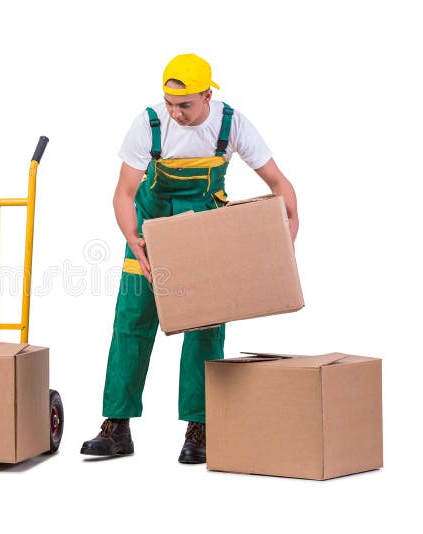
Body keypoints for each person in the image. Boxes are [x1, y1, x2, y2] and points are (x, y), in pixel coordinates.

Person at [80, 53, 299, 463]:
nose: (175, 113)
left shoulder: (231, 123)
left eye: (185, 105)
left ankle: (199, 427)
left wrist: (291, 219)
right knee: (131, 322)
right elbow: (124, 193)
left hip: (205, 237)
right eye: (169, 103)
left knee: (205, 328)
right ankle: (117, 426)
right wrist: (132, 238)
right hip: (150, 234)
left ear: (207, 95)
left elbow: (277, 181)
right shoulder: (148, 123)